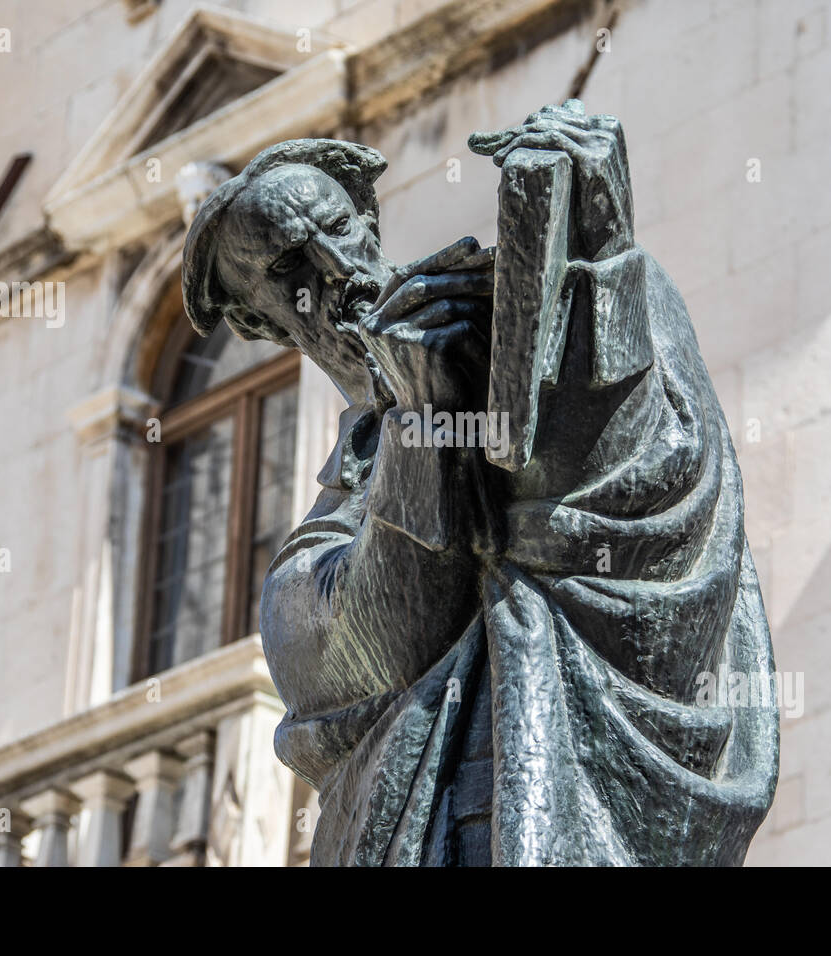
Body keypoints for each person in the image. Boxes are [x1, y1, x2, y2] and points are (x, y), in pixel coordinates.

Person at [182, 101, 778, 865]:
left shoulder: (526, 322)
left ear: (368, 218)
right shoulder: (328, 530)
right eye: (288, 265)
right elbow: (362, 658)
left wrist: (603, 268)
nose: (337, 269)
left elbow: (654, 508)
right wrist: (420, 425)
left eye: (339, 228)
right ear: (258, 320)